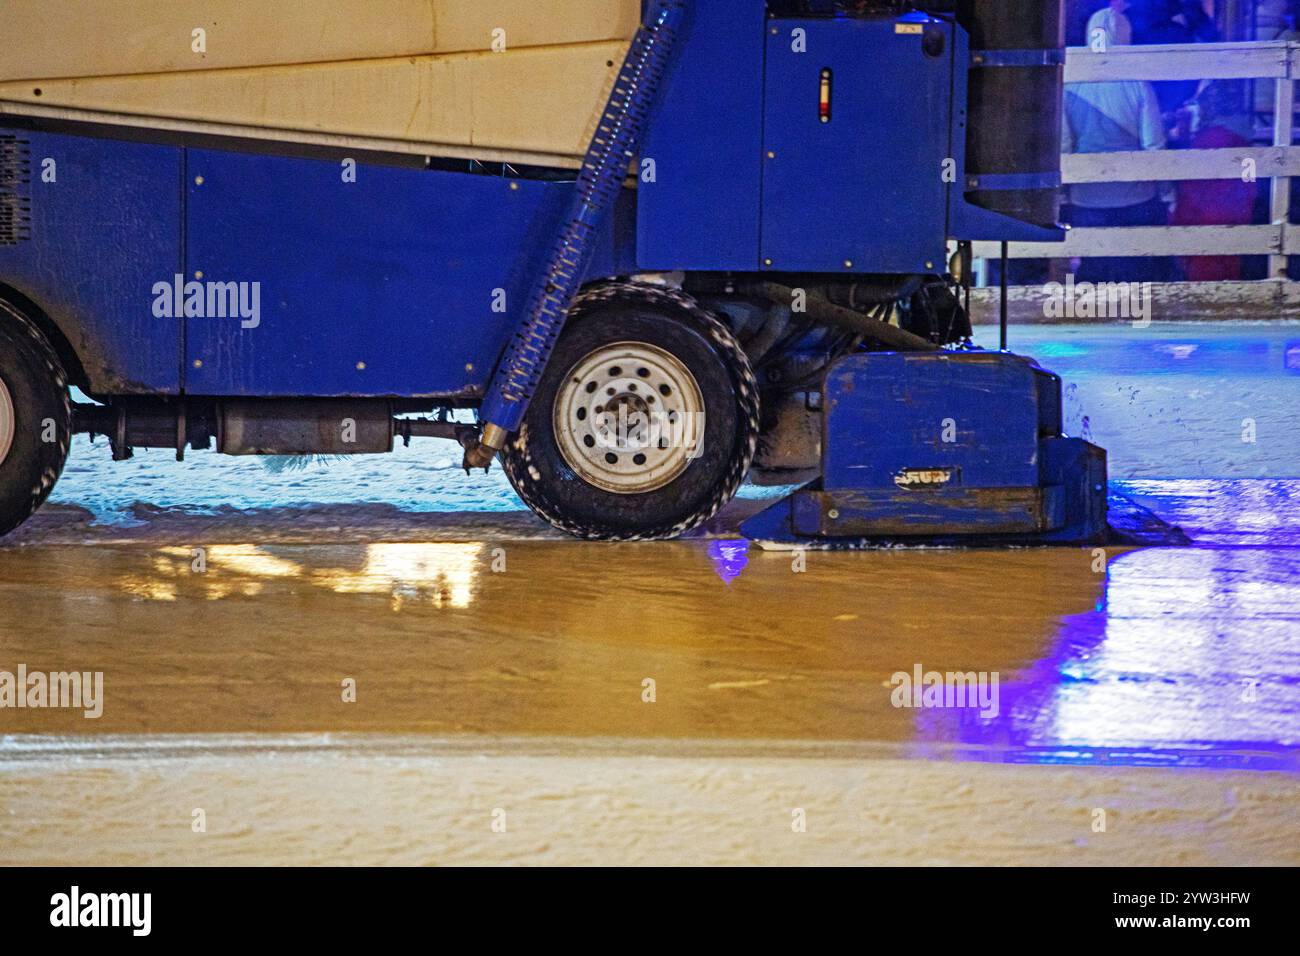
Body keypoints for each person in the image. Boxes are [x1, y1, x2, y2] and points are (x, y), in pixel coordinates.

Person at [1062, 6, 1173, 283]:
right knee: (1134, 272)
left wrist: (1063, 193)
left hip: (1086, 196)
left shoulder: (1070, 86)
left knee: (1093, 271)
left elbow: (1064, 146)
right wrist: (1166, 192)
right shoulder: (1139, 85)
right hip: (1134, 196)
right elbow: (1154, 146)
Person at [1172, 81, 1260, 281]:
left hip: (1203, 219)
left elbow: (1191, 187)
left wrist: (1179, 218)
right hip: (1235, 216)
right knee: (1230, 269)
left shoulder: (1205, 141)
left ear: (1208, 107)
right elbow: (1250, 182)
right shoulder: (1245, 141)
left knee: (1204, 275)